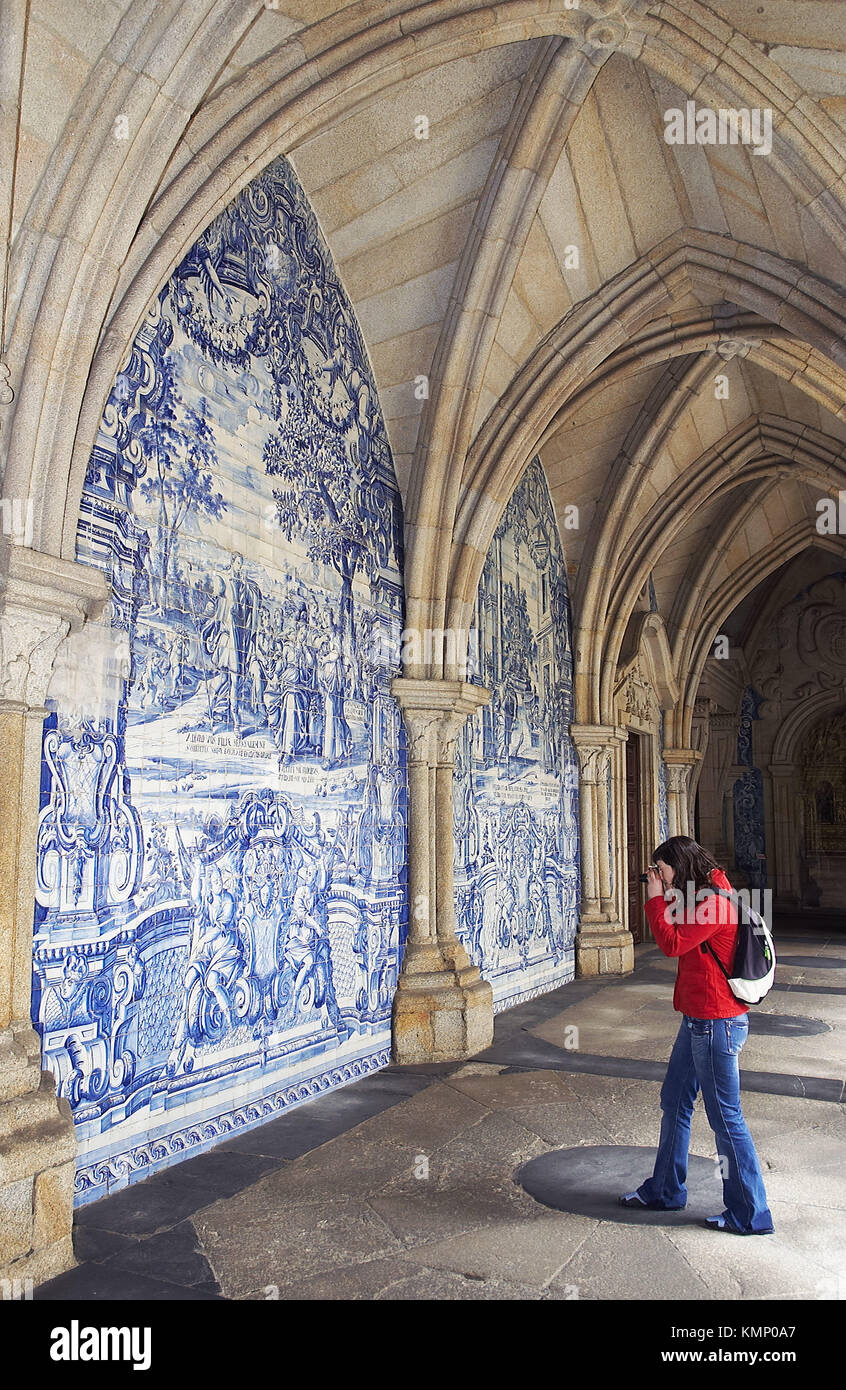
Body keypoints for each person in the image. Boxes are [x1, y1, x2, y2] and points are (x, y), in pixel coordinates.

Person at [619, 835, 774, 1235]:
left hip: (715, 1023)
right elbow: (682, 928)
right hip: (698, 1020)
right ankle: (665, 1190)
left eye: (661, 868)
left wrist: (655, 897)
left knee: (726, 1117)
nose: (656, 876)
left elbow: (670, 942)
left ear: (680, 865)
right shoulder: (709, 891)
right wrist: (667, 891)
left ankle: (749, 1213)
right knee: (674, 1101)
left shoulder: (712, 904)